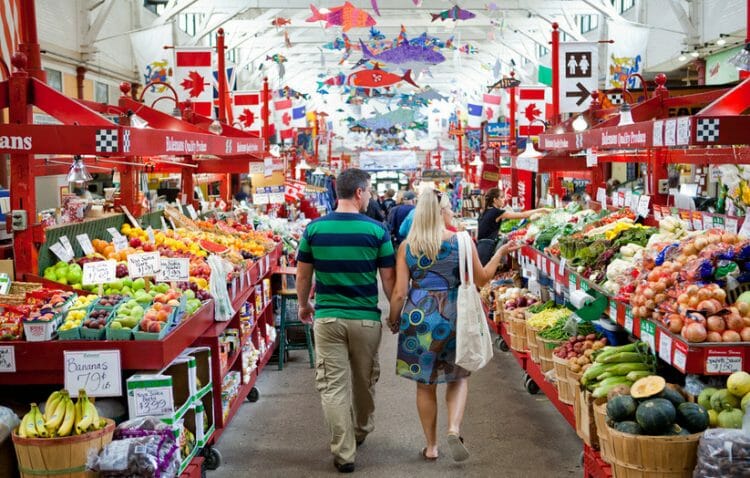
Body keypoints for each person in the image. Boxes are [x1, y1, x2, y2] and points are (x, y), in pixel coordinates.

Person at [387, 189, 520, 462]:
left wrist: (393, 319)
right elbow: (482, 279)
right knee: (458, 377)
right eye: (448, 209)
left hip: (420, 318)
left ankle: (431, 447)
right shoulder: (462, 241)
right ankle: (454, 429)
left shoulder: (407, 247)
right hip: (453, 314)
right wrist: (500, 253)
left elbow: (399, 292)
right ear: (441, 211)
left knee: (425, 384)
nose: (451, 213)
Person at [296, 168, 396, 474]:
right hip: (366, 321)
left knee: (332, 386)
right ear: (359, 192)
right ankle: (360, 429)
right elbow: (388, 280)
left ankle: (344, 453)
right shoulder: (377, 231)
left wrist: (304, 304)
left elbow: (303, 275)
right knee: (364, 382)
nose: (370, 197)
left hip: (327, 319)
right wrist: (395, 314)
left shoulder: (314, 229)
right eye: (368, 191)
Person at [476, 187, 549, 265]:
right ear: (495, 200)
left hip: (480, 245)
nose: (504, 199)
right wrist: (541, 210)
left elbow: (487, 228)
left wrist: (498, 233)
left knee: (483, 267)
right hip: (486, 246)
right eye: (501, 197)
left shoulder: (485, 211)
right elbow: (522, 215)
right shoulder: (496, 212)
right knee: (485, 269)